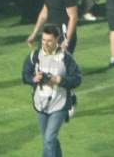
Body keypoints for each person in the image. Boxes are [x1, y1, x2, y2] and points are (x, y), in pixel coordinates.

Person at [22, 25, 81, 157]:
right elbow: (25, 75)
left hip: (60, 103)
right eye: (43, 40)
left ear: (57, 40)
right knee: (48, 139)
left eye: (49, 40)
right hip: (41, 104)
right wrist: (34, 79)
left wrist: (59, 80)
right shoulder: (34, 56)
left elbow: (77, 79)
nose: (45, 44)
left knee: (49, 139)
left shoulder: (65, 57)